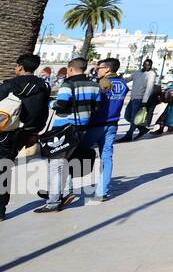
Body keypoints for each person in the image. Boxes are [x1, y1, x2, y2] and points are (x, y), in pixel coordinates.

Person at [37, 57, 100, 213]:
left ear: (71, 69)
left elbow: (62, 105)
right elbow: (97, 106)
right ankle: (66, 191)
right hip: (82, 128)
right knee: (67, 161)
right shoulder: (95, 86)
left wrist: (50, 103)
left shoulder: (68, 84)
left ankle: (53, 202)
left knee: (56, 165)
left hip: (64, 129)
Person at [0, 53, 51, 221]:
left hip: (6, 133)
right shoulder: (44, 85)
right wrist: (35, 132)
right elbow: (44, 111)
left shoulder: (10, 85)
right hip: (28, 131)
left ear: (20, 67)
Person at [84, 59, 128, 204]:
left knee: (75, 152)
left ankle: (64, 189)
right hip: (112, 124)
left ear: (108, 69)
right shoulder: (123, 84)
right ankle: (102, 191)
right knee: (107, 158)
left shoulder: (101, 84)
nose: (97, 70)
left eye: (99, 68)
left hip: (96, 124)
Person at [120, 58, 156, 142]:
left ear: (151, 65)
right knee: (127, 115)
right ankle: (142, 129)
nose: (146, 66)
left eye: (148, 65)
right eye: (145, 64)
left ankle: (129, 135)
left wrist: (144, 101)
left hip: (140, 98)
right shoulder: (137, 72)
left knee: (133, 117)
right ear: (143, 64)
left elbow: (149, 88)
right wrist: (120, 78)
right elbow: (128, 79)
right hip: (133, 97)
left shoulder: (151, 74)